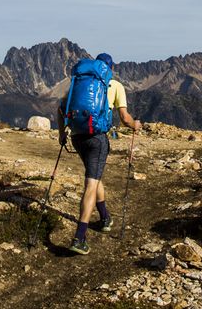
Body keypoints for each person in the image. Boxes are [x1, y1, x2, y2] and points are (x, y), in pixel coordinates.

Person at [57, 52, 142, 255]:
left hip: (78, 137)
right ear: (110, 69)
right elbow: (124, 118)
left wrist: (62, 134)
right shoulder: (115, 86)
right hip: (98, 139)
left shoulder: (80, 84)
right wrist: (135, 125)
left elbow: (61, 109)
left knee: (94, 175)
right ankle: (79, 237)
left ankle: (104, 218)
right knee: (91, 184)